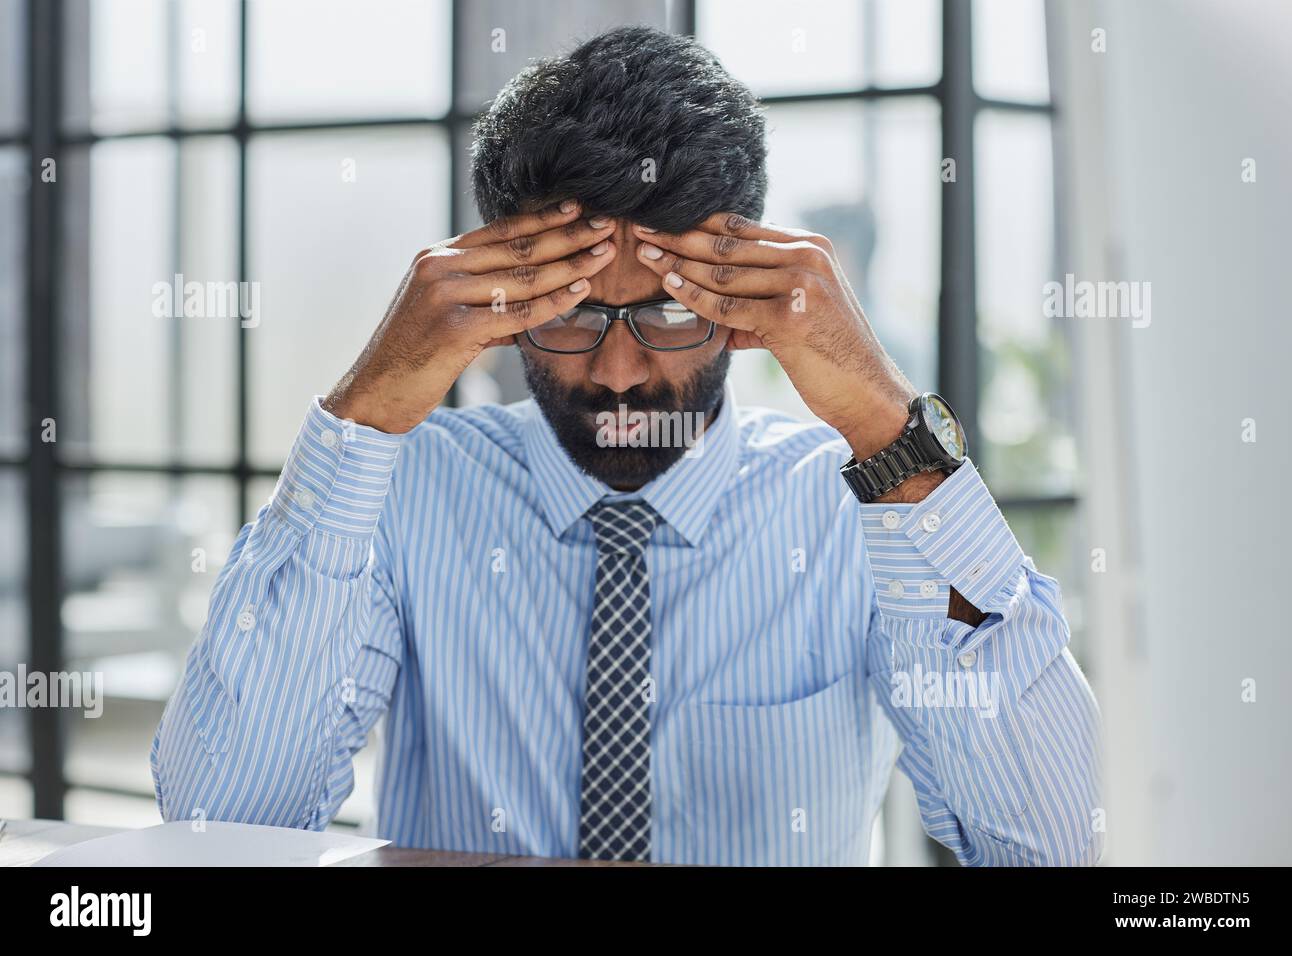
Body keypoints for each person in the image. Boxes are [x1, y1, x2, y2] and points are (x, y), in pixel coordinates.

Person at [152, 26, 1101, 866]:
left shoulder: (849, 512)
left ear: (738, 306)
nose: (615, 373)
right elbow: (216, 829)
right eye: (568, 316)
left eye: (664, 313)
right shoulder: (411, 487)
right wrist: (359, 418)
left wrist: (891, 434)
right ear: (502, 308)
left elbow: (1057, 848)